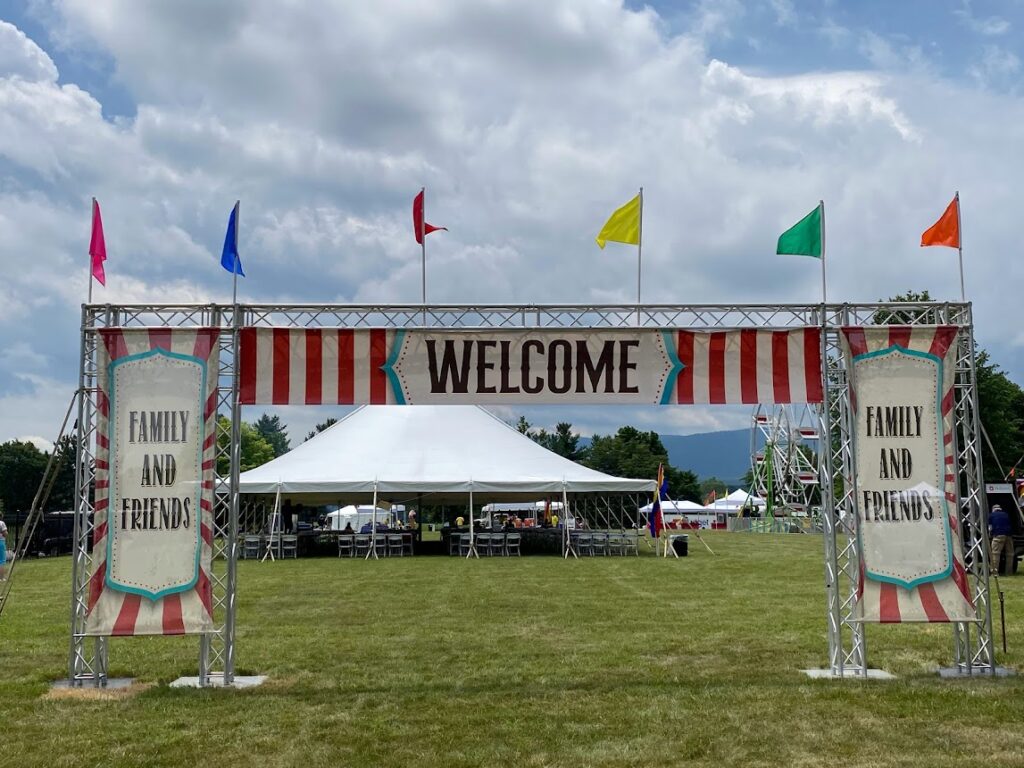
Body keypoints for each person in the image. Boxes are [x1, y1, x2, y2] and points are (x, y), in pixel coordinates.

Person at [989, 504, 1014, 575]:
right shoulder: (1006, 514)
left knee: (995, 553)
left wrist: (990, 535)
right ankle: (1009, 572)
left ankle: (994, 572)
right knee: (1010, 554)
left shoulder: (991, 515)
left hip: (998, 535)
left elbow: (990, 528)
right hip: (1008, 535)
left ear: (993, 509)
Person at [0, 512, 7, 581]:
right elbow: (5, 533)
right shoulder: (1, 523)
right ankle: (1, 578)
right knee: (1, 560)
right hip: (0, 542)